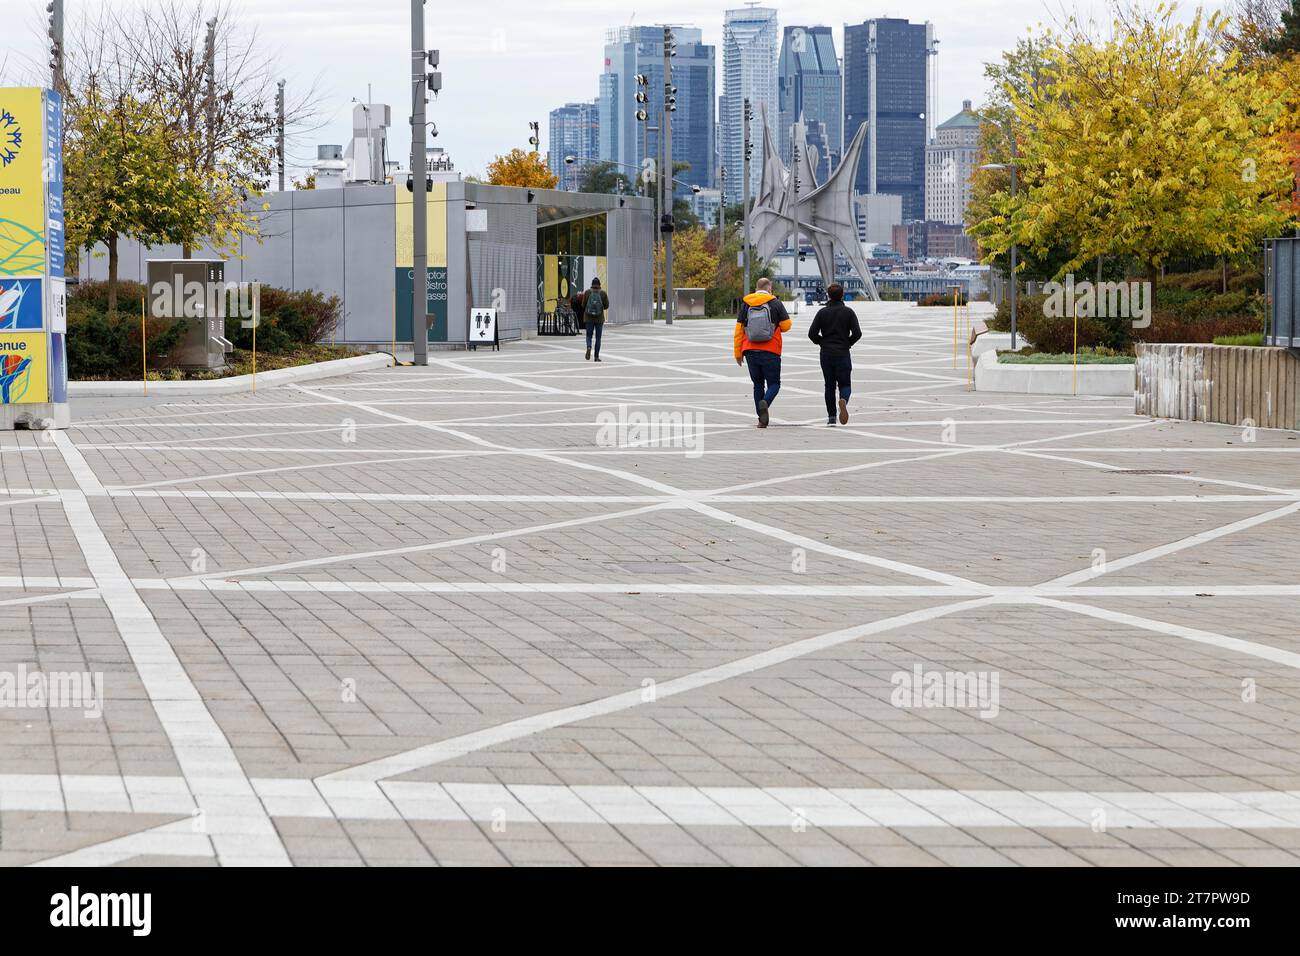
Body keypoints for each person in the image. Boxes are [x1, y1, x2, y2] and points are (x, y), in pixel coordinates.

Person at [734, 277, 792, 428]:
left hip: (750, 350)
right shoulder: (775, 303)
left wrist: (738, 353)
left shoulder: (746, 304)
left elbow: (739, 330)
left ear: (756, 288)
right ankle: (765, 402)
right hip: (771, 350)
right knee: (774, 384)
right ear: (769, 289)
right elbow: (786, 326)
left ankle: (761, 420)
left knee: (757, 385)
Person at [806, 282, 862, 425]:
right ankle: (843, 399)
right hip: (842, 352)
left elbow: (812, 333)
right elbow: (857, 333)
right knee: (845, 384)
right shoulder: (848, 312)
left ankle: (832, 416)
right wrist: (848, 343)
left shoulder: (822, 312)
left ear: (828, 296)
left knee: (829, 386)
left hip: (826, 354)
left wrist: (821, 342)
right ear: (842, 295)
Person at [579, 278, 610, 361]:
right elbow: (606, 306)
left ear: (592, 284)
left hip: (588, 318)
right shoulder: (603, 293)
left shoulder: (587, 292)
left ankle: (589, 347)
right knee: (598, 338)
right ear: (599, 284)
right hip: (599, 319)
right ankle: (596, 357)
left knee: (589, 336)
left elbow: (583, 305)